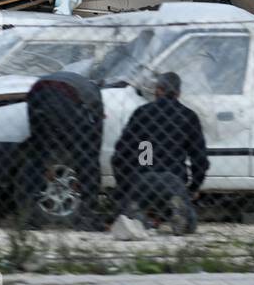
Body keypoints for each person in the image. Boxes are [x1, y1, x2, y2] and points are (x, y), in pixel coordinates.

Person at [112, 71, 209, 235]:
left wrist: (125, 187)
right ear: (178, 93)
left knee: (146, 151)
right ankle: (175, 210)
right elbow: (200, 160)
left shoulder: (142, 113)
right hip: (174, 179)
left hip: (144, 175)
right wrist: (193, 188)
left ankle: (138, 212)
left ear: (158, 90)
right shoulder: (188, 116)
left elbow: (120, 155)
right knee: (188, 222)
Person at [16, 71, 104, 231]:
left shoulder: (84, 87)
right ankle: (88, 215)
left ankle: (26, 214)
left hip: (37, 93)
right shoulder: (96, 99)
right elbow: (93, 147)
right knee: (87, 158)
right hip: (64, 98)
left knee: (38, 155)